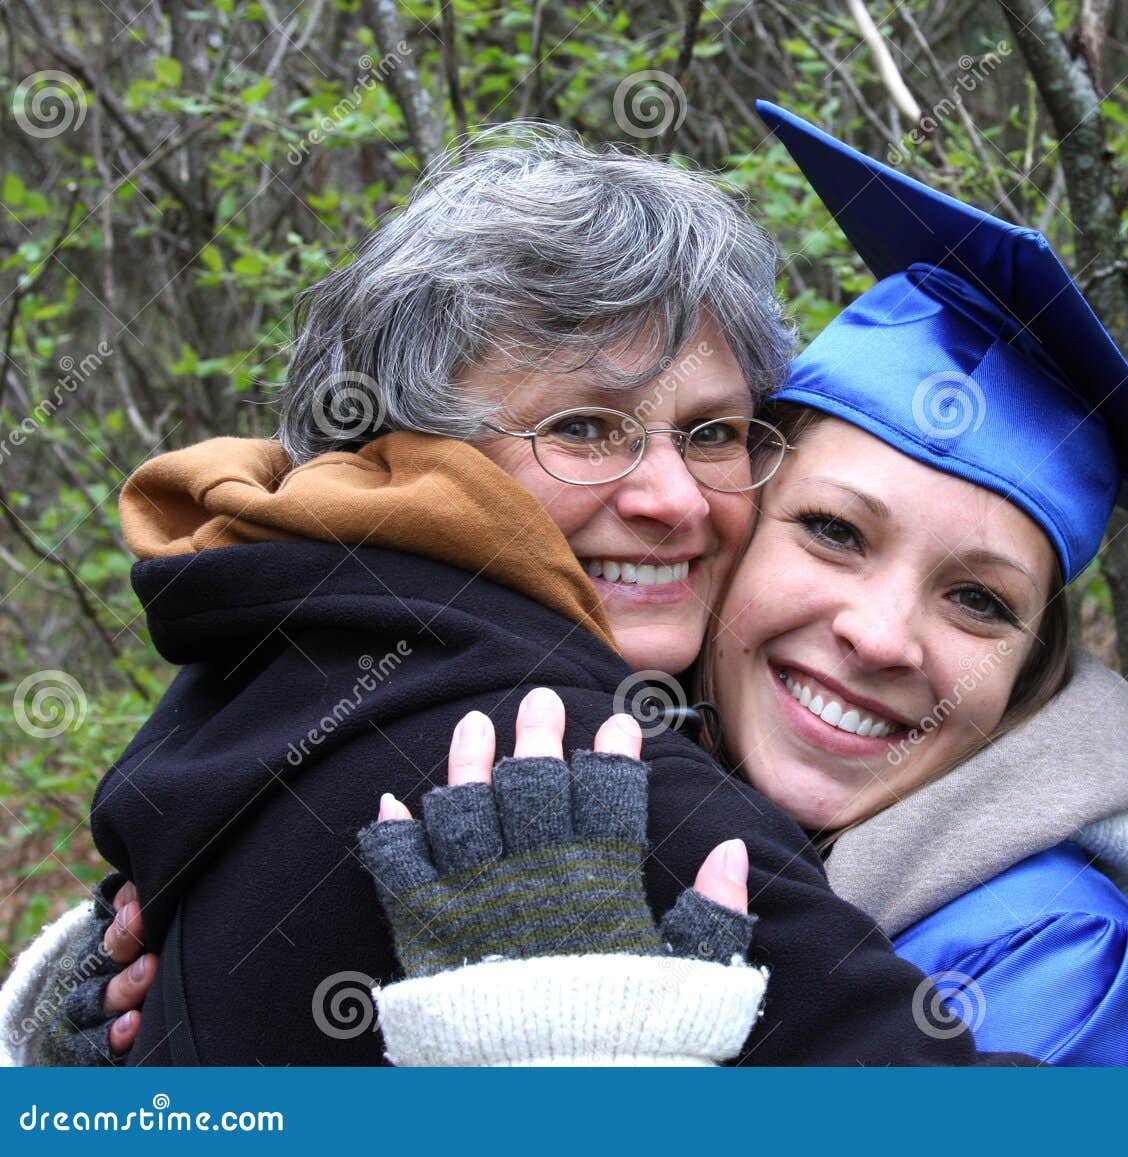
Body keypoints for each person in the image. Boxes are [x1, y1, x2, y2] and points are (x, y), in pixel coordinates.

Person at [0, 123, 1032, 1067]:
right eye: (585, 427)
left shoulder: (278, 648)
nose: (674, 498)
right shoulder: (560, 764)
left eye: (712, 431)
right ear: (401, 445)